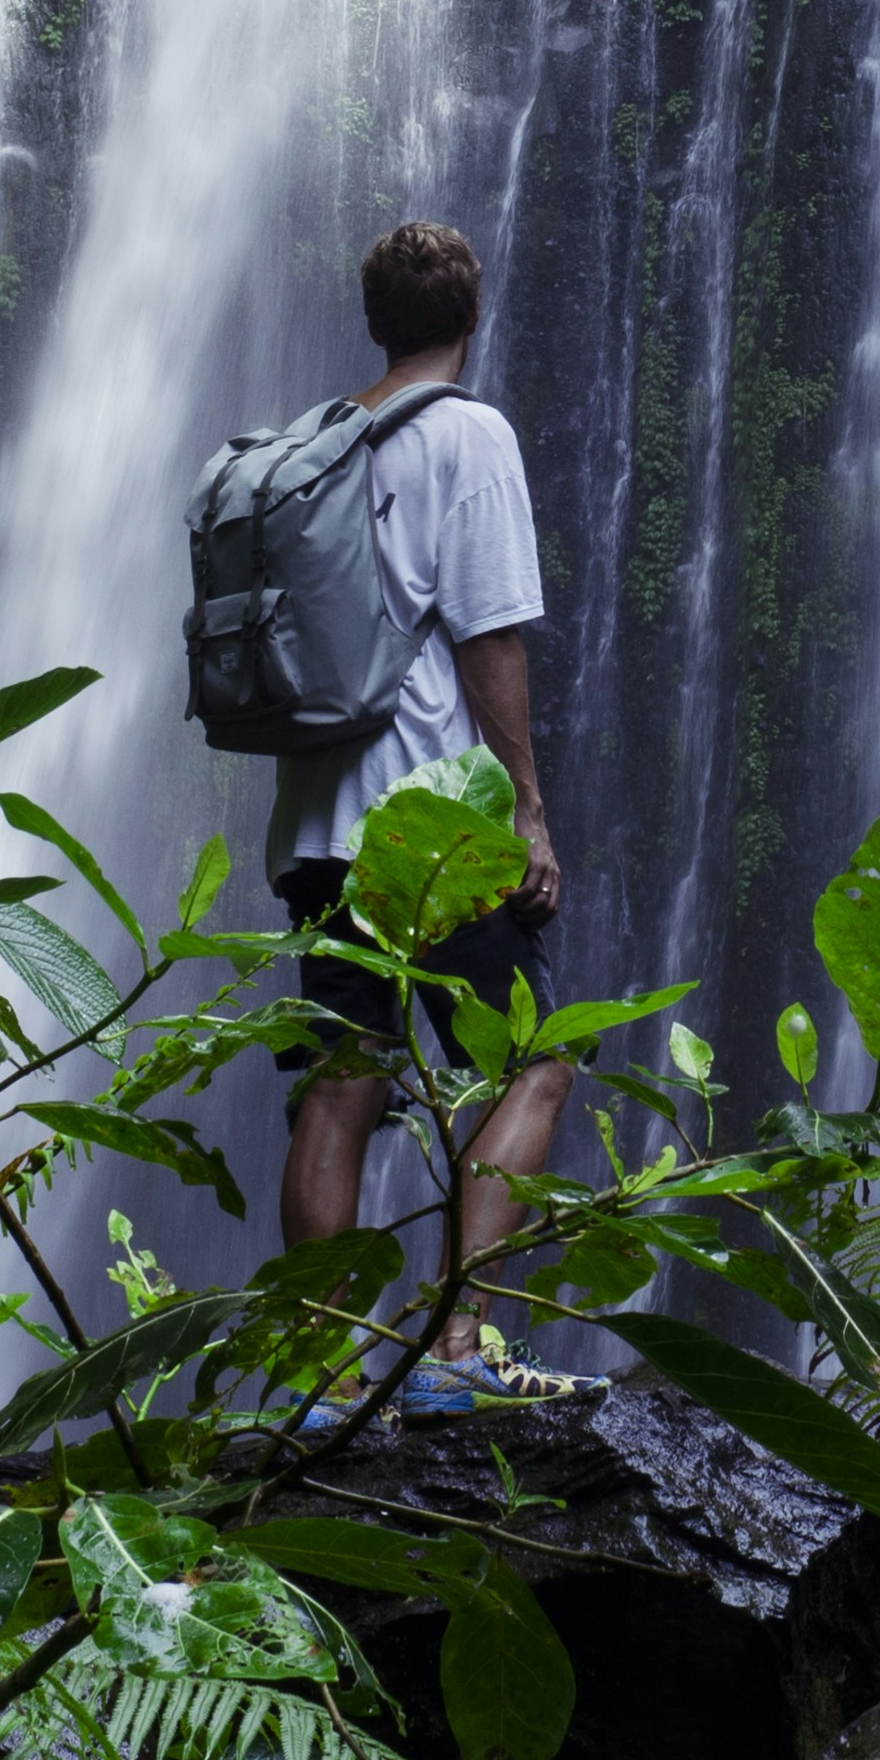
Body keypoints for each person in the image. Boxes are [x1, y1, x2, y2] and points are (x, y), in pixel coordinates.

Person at [269, 217, 596, 1417]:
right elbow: (489, 635)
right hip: (425, 826)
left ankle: (319, 1369)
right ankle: (458, 1350)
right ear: (471, 320)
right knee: (539, 1063)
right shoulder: (469, 434)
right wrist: (526, 813)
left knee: (337, 1080)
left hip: (313, 825)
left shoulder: (312, 443)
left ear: (375, 324)